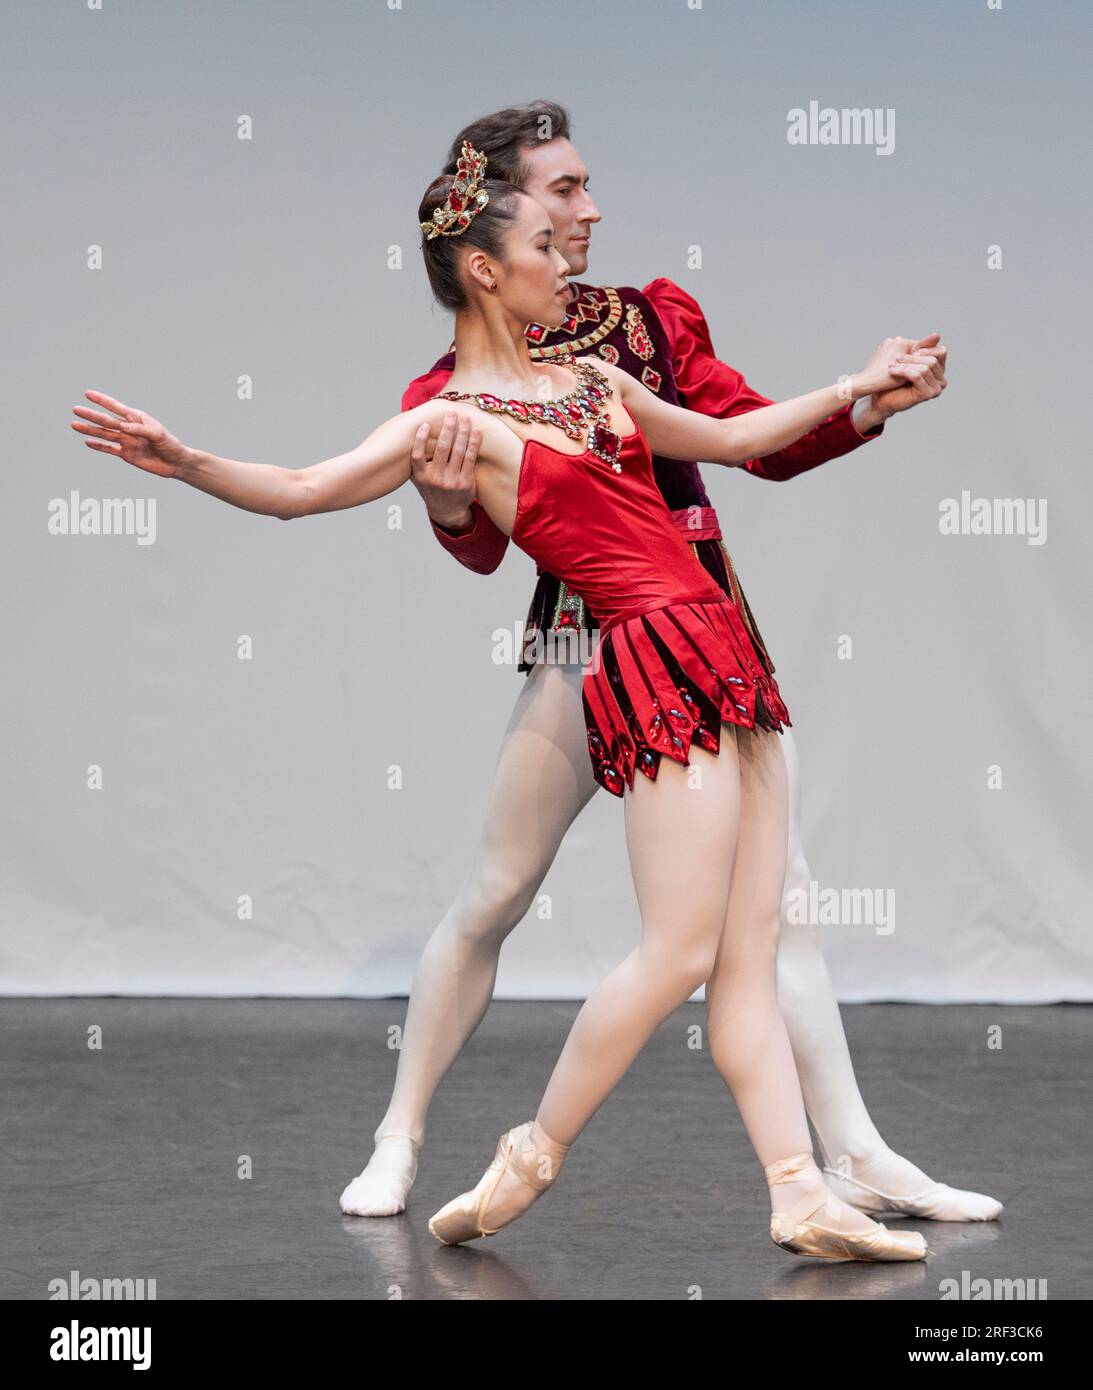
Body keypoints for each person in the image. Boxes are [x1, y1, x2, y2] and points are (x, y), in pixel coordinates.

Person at [71, 143, 948, 1259]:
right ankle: (528, 1149)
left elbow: (730, 439)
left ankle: (799, 1189)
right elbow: (299, 493)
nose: (563, 259)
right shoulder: (455, 419)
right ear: (484, 270)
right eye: (541, 241)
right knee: (676, 950)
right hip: (641, 654)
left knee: (750, 947)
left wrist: (857, 385)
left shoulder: (596, 381)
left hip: (726, 647)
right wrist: (185, 458)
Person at [347, 102, 1001, 1227]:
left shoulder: (640, 328)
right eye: (559, 192)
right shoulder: (445, 390)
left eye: (586, 187)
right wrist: (450, 501)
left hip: (698, 630)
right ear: (494, 221)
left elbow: (749, 433)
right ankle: (400, 1132)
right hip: (580, 632)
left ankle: (850, 1155)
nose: (586, 209)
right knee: (499, 890)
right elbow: (476, 547)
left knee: (774, 911)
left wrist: (862, 401)